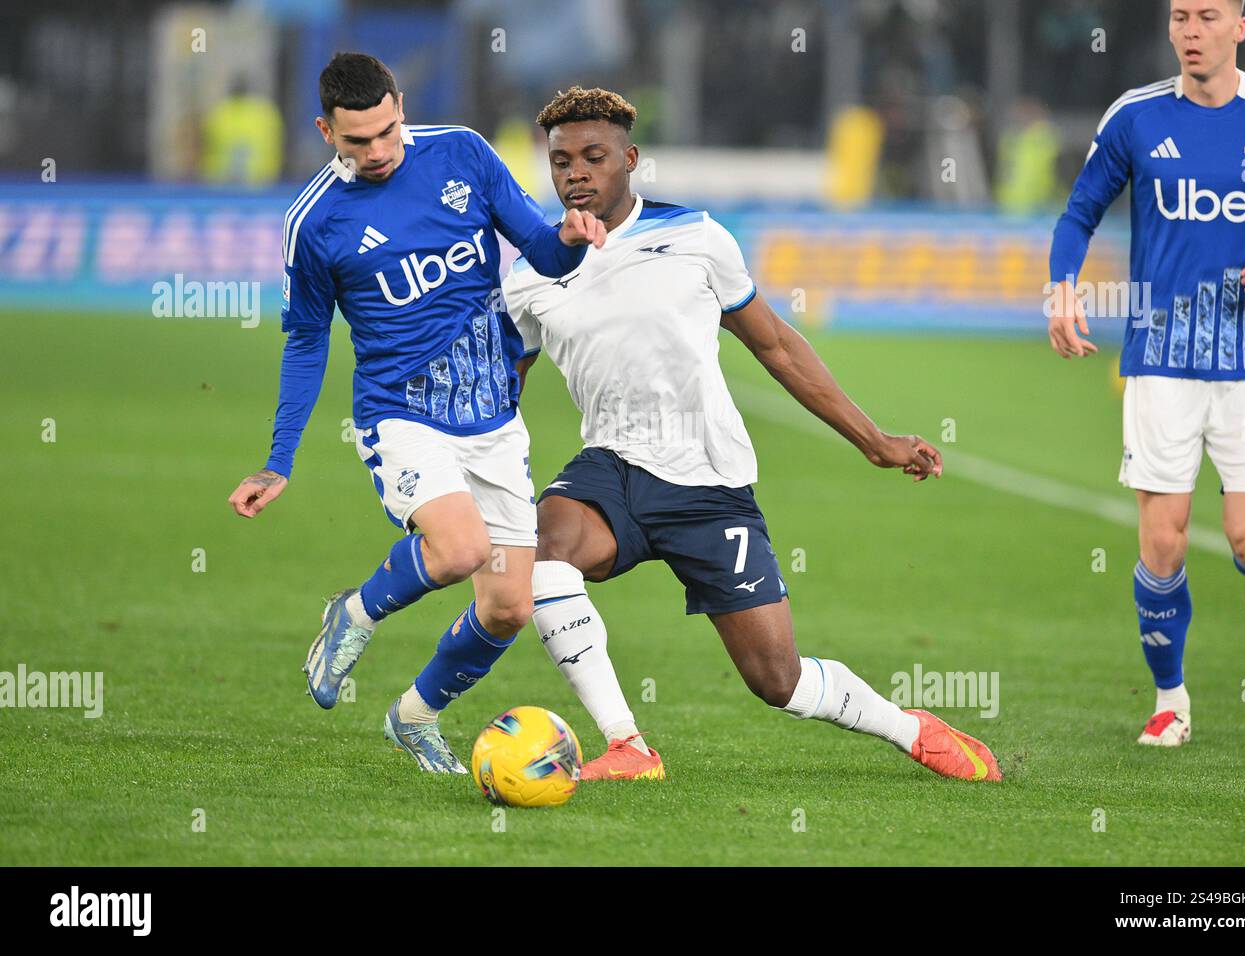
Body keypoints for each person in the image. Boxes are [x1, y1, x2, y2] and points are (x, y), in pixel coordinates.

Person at [503, 86, 1002, 783]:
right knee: (542, 556)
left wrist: (874, 440)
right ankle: (628, 745)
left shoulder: (698, 239)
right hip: (610, 467)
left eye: (594, 157)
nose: (576, 174)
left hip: (709, 482)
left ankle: (911, 728)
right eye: (561, 162)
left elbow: (777, 347)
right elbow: (504, 382)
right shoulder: (529, 273)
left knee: (779, 681)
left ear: (631, 159)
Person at [226, 53, 605, 774]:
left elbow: (539, 251)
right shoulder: (314, 222)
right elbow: (306, 339)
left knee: (507, 609)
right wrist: (280, 458)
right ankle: (356, 613)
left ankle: (415, 715)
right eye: (355, 142)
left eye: (385, 133)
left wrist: (570, 240)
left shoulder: (462, 151)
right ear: (325, 131)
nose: (375, 153)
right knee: (458, 550)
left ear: (401, 105)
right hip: (401, 413)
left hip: (492, 415)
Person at [1047, 0, 1245, 746]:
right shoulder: (1136, 117)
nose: (1192, 31)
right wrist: (1063, 285)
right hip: (1160, 358)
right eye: (1180, 17)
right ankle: (1170, 699)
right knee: (1163, 544)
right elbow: (1079, 211)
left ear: (1240, 29)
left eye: (1208, 16)